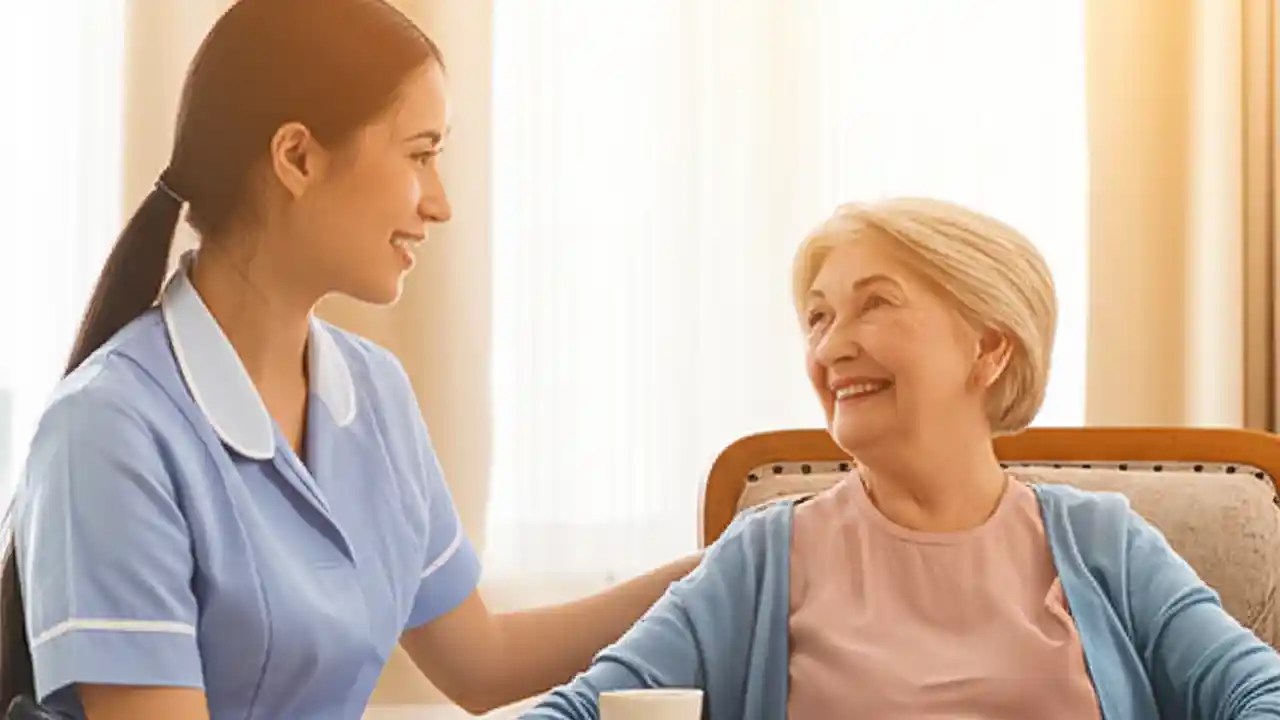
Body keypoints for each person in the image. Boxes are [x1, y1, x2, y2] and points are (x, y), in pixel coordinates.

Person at [0, 1, 699, 717]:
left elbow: (483, 661)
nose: (441, 202)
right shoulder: (108, 430)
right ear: (297, 157)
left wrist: (727, 572)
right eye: (421, 154)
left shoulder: (375, 394)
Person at [522, 197, 1280, 718]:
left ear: (988, 347)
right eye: (818, 316)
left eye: (875, 303)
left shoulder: (1102, 546)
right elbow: (586, 708)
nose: (830, 345)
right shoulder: (763, 560)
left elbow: (1261, 694)